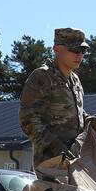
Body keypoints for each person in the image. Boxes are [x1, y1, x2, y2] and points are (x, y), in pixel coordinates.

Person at [18, 27, 90, 168]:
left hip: (76, 160)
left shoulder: (75, 80)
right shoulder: (42, 77)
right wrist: (56, 148)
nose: (79, 55)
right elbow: (27, 118)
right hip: (51, 163)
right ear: (57, 49)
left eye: (83, 50)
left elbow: (74, 115)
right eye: (74, 50)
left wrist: (88, 120)